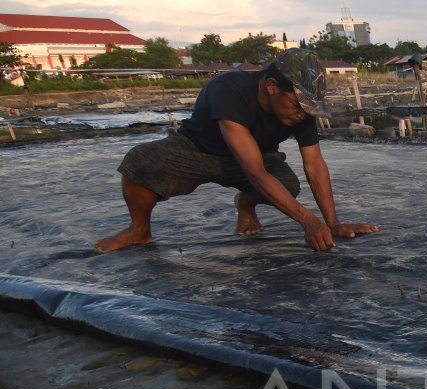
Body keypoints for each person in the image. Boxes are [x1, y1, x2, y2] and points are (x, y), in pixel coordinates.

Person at [95, 49, 377, 253]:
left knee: (286, 184)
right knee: (140, 161)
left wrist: (333, 223)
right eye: (297, 105)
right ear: (270, 87)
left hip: (258, 155)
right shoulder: (228, 89)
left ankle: (246, 204)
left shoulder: (301, 111)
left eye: (308, 109)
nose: (302, 114)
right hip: (198, 151)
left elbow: (314, 164)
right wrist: (308, 221)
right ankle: (139, 230)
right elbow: (253, 170)